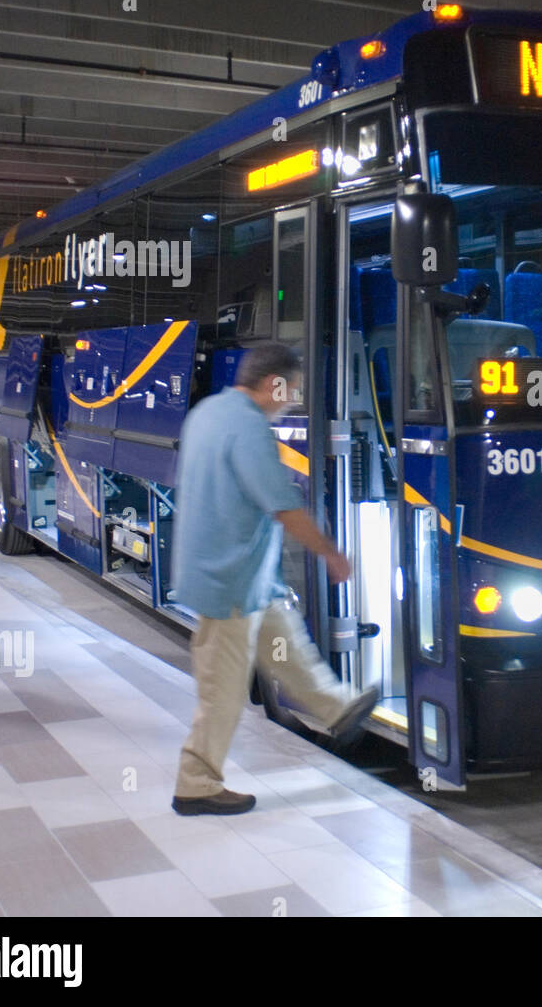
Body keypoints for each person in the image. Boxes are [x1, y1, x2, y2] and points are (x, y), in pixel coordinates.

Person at [171, 342, 378, 816]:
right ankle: (195, 784)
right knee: (222, 690)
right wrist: (330, 553)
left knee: (285, 641)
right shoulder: (249, 429)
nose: (290, 401)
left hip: (242, 577)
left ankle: (336, 708)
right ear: (273, 384)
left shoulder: (208, 411)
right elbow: (282, 506)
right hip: (228, 583)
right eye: (292, 392)